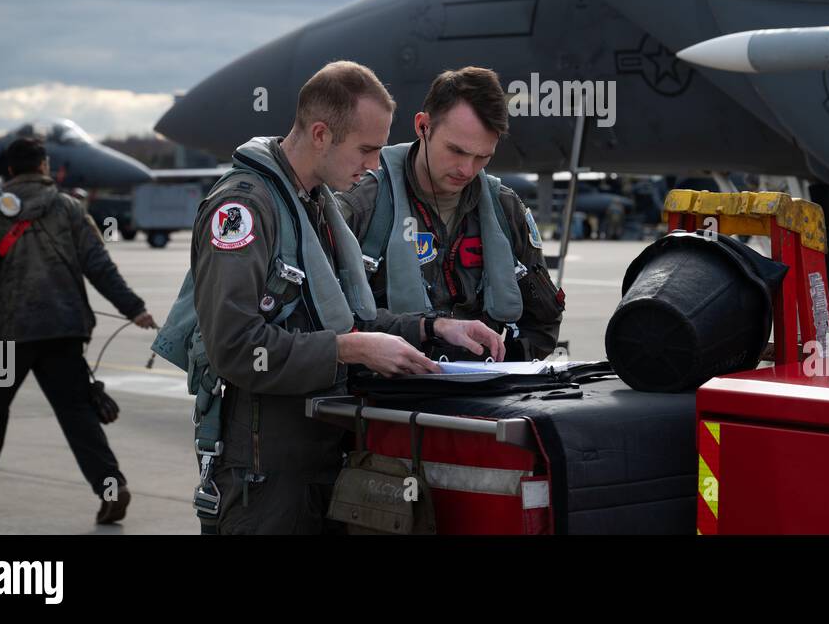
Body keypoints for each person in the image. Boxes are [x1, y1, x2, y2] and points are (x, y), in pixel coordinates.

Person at [179, 60, 503, 534]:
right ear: (320, 134)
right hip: (265, 477)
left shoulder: (312, 205)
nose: (375, 164)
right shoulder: (245, 209)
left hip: (322, 462)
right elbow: (235, 347)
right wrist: (347, 350)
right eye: (366, 149)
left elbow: (345, 319)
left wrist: (433, 328)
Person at [0, 136, 154, 523]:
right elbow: (100, 267)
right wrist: (134, 308)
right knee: (77, 413)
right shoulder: (69, 209)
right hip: (63, 327)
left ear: (10, 170)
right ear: (44, 166)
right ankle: (111, 487)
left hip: (8, 330)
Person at [340, 66, 565, 360]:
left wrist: (502, 364)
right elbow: (330, 322)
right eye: (456, 151)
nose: (467, 170)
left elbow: (544, 319)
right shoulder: (363, 206)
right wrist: (426, 330)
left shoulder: (504, 209)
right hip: (385, 398)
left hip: (482, 395)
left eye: (482, 157)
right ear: (423, 126)